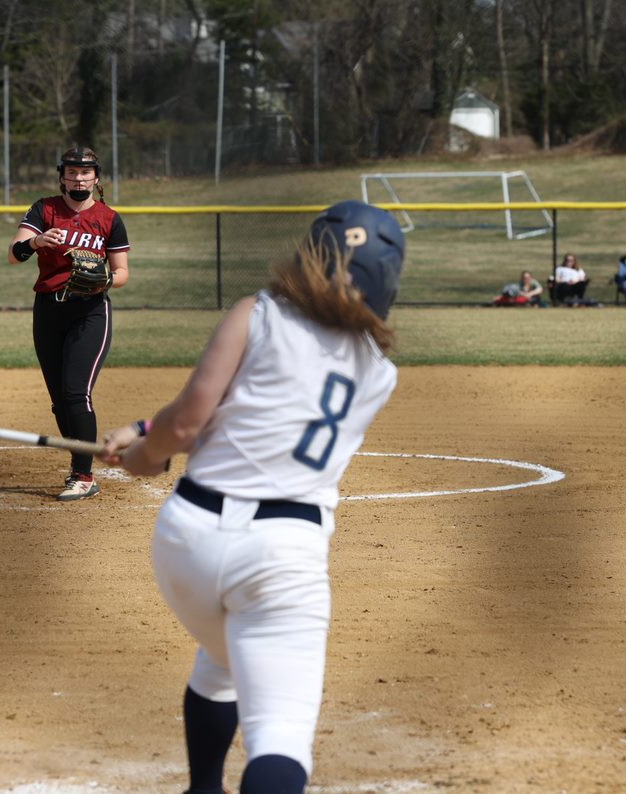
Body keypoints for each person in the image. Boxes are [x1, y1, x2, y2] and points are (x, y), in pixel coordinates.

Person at [98, 200, 405, 794]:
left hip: (187, 542)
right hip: (282, 554)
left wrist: (144, 452)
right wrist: (142, 433)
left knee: (223, 660)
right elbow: (265, 407)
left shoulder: (256, 313)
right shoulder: (378, 373)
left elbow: (189, 422)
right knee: (281, 734)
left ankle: (202, 789)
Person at [7, 146, 130, 501]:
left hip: (90, 312)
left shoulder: (109, 218)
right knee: (61, 401)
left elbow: (122, 273)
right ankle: (79, 465)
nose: (79, 178)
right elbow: (14, 255)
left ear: (96, 177)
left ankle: (84, 474)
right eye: (73, 172)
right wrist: (36, 240)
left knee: (77, 393)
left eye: (85, 172)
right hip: (48, 310)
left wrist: (103, 279)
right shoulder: (44, 209)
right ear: (62, 176)